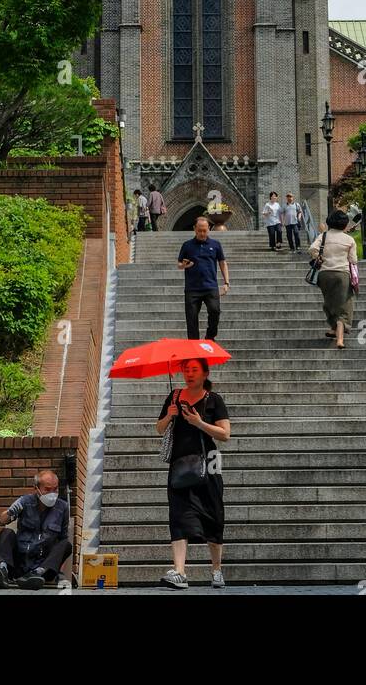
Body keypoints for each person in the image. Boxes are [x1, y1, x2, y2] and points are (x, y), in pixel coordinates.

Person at [155, 358, 231, 589]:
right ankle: (179, 571)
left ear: (205, 373)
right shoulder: (175, 396)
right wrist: (169, 415)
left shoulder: (214, 400)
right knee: (178, 514)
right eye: (186, 369)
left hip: (209, 462)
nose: (189, 373)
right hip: (180, 463)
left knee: (213, 514)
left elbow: (225, 434)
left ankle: (216, 570)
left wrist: (199, 423)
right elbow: (159, 429)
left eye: (195, 370)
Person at [0, 470, 72, 590]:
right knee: (6, 533)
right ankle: (3, 570)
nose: (52, 493)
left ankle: (35, 575)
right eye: (47, 489)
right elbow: (2, 521)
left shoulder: (62, 507)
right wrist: (11, 512)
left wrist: (60, 574)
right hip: (19, 562)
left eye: (55, 489)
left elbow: (62, 542)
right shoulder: (25, 501)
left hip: (43, 569)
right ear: (36, 489)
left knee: (66, 544)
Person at [308, 210, 356, 350]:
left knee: (329, 303)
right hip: (342, 274)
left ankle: (334, 329)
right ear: (344, 224)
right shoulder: (349, 240)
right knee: (344, 305)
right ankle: (340, 339)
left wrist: (319, 257)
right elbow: (353, 260)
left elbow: (312, 249)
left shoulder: (323, 236)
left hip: (325, 274)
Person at [177, 217, 230, 340]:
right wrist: (184, 265)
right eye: (199, 230)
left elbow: (222, 262)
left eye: (204, 231)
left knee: (215, 311)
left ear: (209, 229)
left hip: (210, 286)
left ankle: (210, 336)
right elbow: (179, 264)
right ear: (194, 229)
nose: (202, 233)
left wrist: (226, 282)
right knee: (191, 319)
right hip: (192, 288)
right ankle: (194, 346)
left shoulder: (215, 245)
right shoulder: (187, 245)